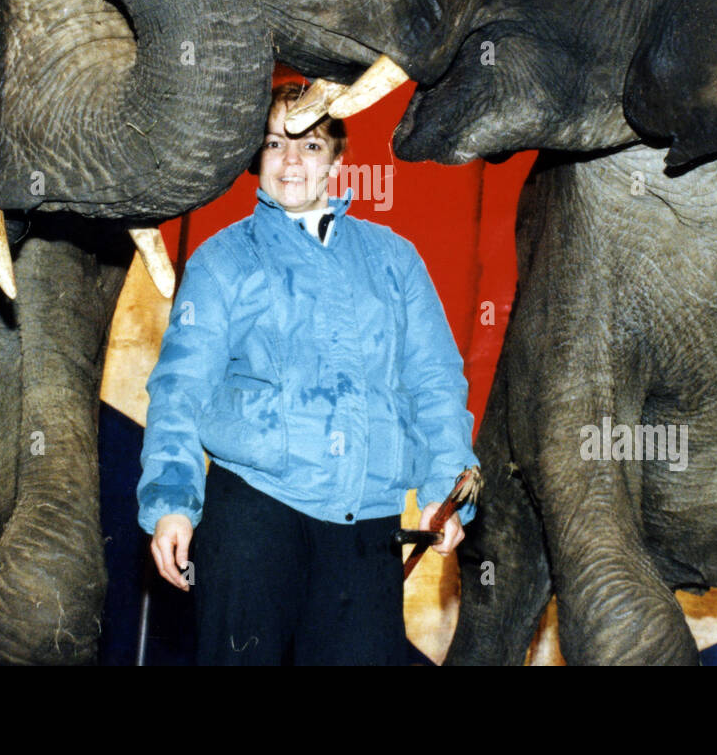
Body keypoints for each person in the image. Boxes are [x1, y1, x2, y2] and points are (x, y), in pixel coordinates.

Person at [136, 81, 479, 665]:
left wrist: (448, 486)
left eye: (310, 145)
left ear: (338, 161)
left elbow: (435, 380)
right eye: (274, 144)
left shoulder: (395, 258)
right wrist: (171, 502)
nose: (291, 160)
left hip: (368, 521)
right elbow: (178, 392)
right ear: (256, 157)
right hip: (252, 512)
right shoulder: (221, 259)